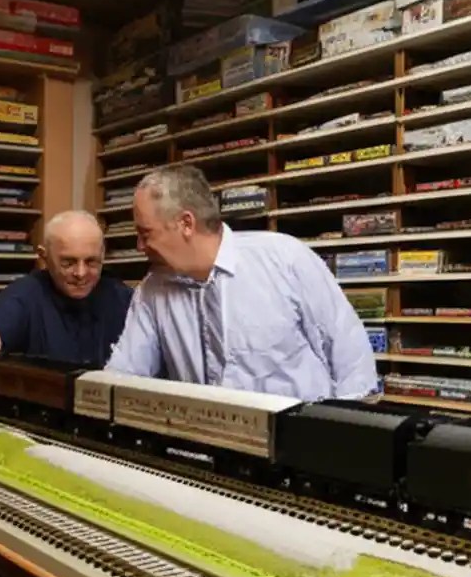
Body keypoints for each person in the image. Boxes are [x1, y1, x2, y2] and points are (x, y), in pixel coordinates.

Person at [106, 165, 378, 401]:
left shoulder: (284, 259)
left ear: (186, 223)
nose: (140, 246)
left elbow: (351, 359)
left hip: (298, 444)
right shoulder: (152, 290)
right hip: (211, 445)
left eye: (145, 233)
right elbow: (123, 375)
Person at [0, 210, 134, 416]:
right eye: (68, 263)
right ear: (43, 256)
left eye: (92, 262)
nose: (81, 273)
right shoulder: (26, 293)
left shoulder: (123, 298)